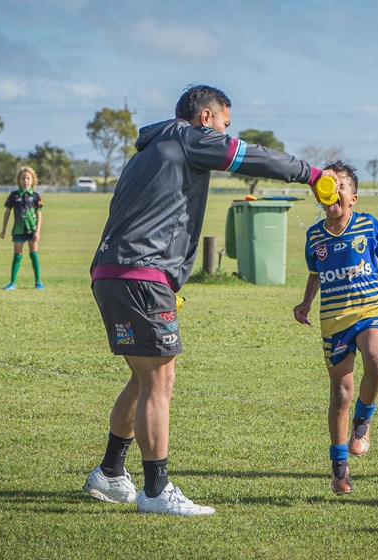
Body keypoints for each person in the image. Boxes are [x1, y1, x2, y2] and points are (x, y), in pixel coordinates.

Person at [84, 84, 330, 516]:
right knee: (161, 381)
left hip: (112, 272)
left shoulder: (147, 150)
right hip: (141, 275)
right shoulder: (187, 136)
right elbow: (253, 156)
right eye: (224, 124)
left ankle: (109, 472)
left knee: (145, 376)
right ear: (206, 119)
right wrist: (311, 174)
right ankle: (157, 491)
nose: (225, 133)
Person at [292, 161, 378, 495]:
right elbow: (316, 273)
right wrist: (305, 303)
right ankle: (339, 469)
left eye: (340, 184)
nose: (333, 190)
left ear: (353, 198)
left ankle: (363, 420)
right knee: (340, 392)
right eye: (327, 184)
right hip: (334, 318)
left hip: (370, 308)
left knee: (376, 360)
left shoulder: (368, 224)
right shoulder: (314, 235)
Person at [0, 166, 44, 290]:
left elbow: (39, 214)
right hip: (18, 230)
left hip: (32, 230)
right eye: (23, 178)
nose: (25, 181)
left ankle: (38, 282)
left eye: (28, 178)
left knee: (33, 254)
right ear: (18, 180)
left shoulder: (36, 196)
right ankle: (12, 283)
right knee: (17, 255)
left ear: (32, 180)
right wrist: (4, 229)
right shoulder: (13, 196)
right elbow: (7, 212)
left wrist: (38, 231)